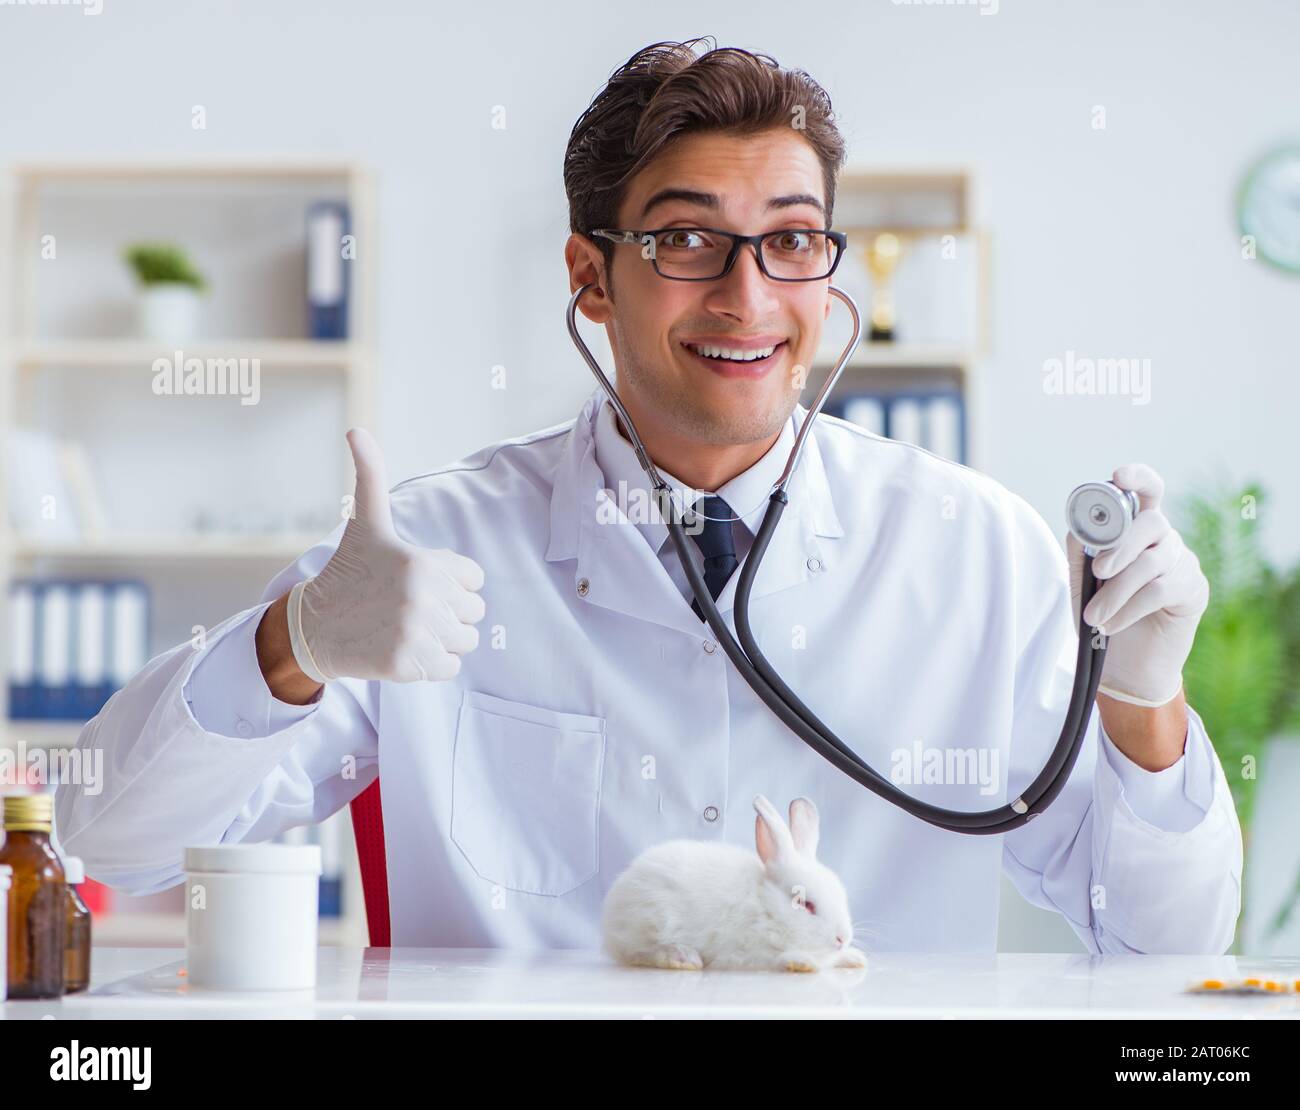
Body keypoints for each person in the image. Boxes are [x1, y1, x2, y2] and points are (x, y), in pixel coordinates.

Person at [56, 39, 1241, 954]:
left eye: (790, 241)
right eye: (685, 241)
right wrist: (290, 644)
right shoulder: (425, 547)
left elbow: (1162, 948)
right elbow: (112, 838)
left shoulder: (973, 548)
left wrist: (1144, 708)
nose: (747, 297)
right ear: (590, 275)